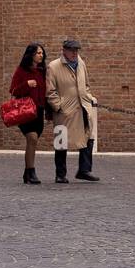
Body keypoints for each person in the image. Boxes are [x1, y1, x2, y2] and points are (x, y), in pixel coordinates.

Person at [46, 39, 100, 184]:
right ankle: (60, 174)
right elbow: (50, 91)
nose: (75, 53)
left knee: (88, 137)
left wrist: (87, 98)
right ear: (64, 50)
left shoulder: (81, 63)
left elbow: (86, 84)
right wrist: (59, 106)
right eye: (72, 50)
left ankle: (84, 170)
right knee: (61, 142)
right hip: (64, 111)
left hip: (82, 107)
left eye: (77, 50)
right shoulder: (54, 66)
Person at [10, 43, 48, 185]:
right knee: (31, 138)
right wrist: (26, 84)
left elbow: (46, 93)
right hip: (25, 111)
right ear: (31, 54)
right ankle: (31, 171)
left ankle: (27, 173)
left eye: (42, 53)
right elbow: (13, 90)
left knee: (34, 140)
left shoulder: (42, 71)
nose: (41, 55)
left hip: (39, 111)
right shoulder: (21, 70)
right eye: (38, 53)